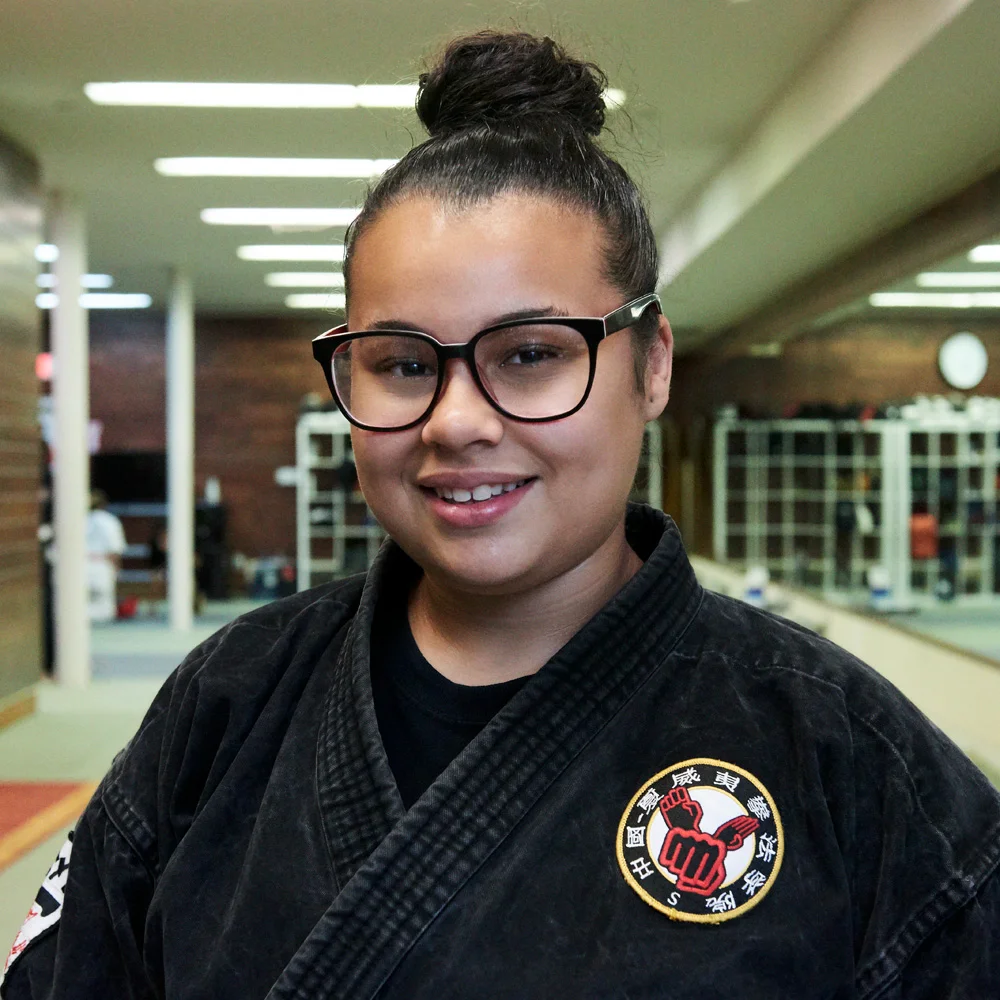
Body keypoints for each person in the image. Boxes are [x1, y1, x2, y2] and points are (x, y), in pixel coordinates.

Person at [3, 31, 999, 1000]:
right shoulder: (225, 704)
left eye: (529, 354)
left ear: (650, 363)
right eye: (400, 364)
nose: (459, 422)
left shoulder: (847, 756)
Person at [85, 489, 126, 623]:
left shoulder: (78, 520)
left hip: (79, 565)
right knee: (103, 611)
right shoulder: (110, 521)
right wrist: (117, 569)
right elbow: (114, 549)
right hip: (102, 564)